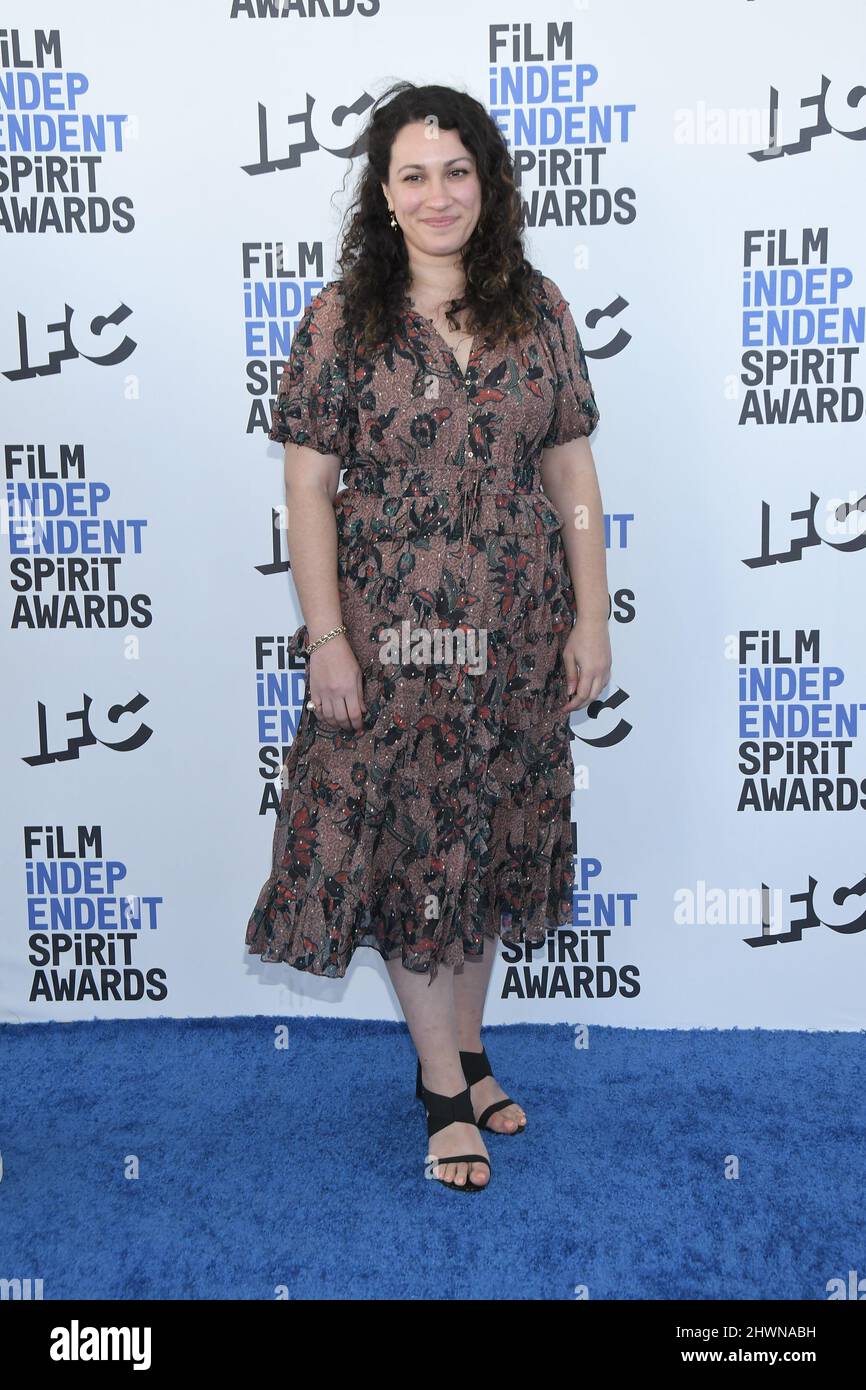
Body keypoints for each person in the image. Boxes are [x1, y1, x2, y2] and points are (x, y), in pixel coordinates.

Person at [246, 82, 611, 1193]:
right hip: (390, 637)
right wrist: (326, 640)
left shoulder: (536, 307)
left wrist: (591, 614)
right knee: (411, 852)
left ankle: (467, 1048)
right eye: (414, 173)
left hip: (513, 630)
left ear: (486, 184)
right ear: (385, 194)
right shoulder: (340, 318)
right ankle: (439, 1088)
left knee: (486, 840)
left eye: (457, 170)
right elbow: (308, 492)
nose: (437, 192)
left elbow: (571, 476)